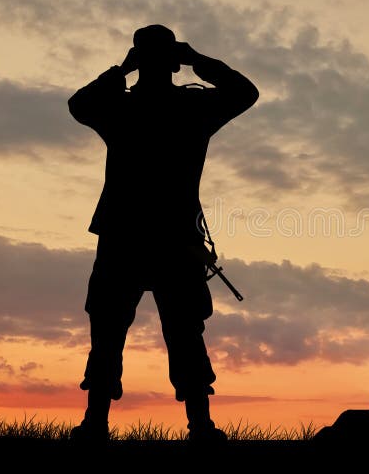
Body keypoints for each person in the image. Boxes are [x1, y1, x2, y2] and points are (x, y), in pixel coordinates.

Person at [67, 24, 258, 442]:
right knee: (181, 331)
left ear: (139, 60)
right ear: (174, 61)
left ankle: (95, 424)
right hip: (172, 239)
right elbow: (245, 92)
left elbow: (80, 104)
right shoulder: (192, 108)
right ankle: (200, 425)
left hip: (126, 236)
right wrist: (196, 59)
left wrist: (121, 70)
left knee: (112, 331)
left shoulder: (119, 107)